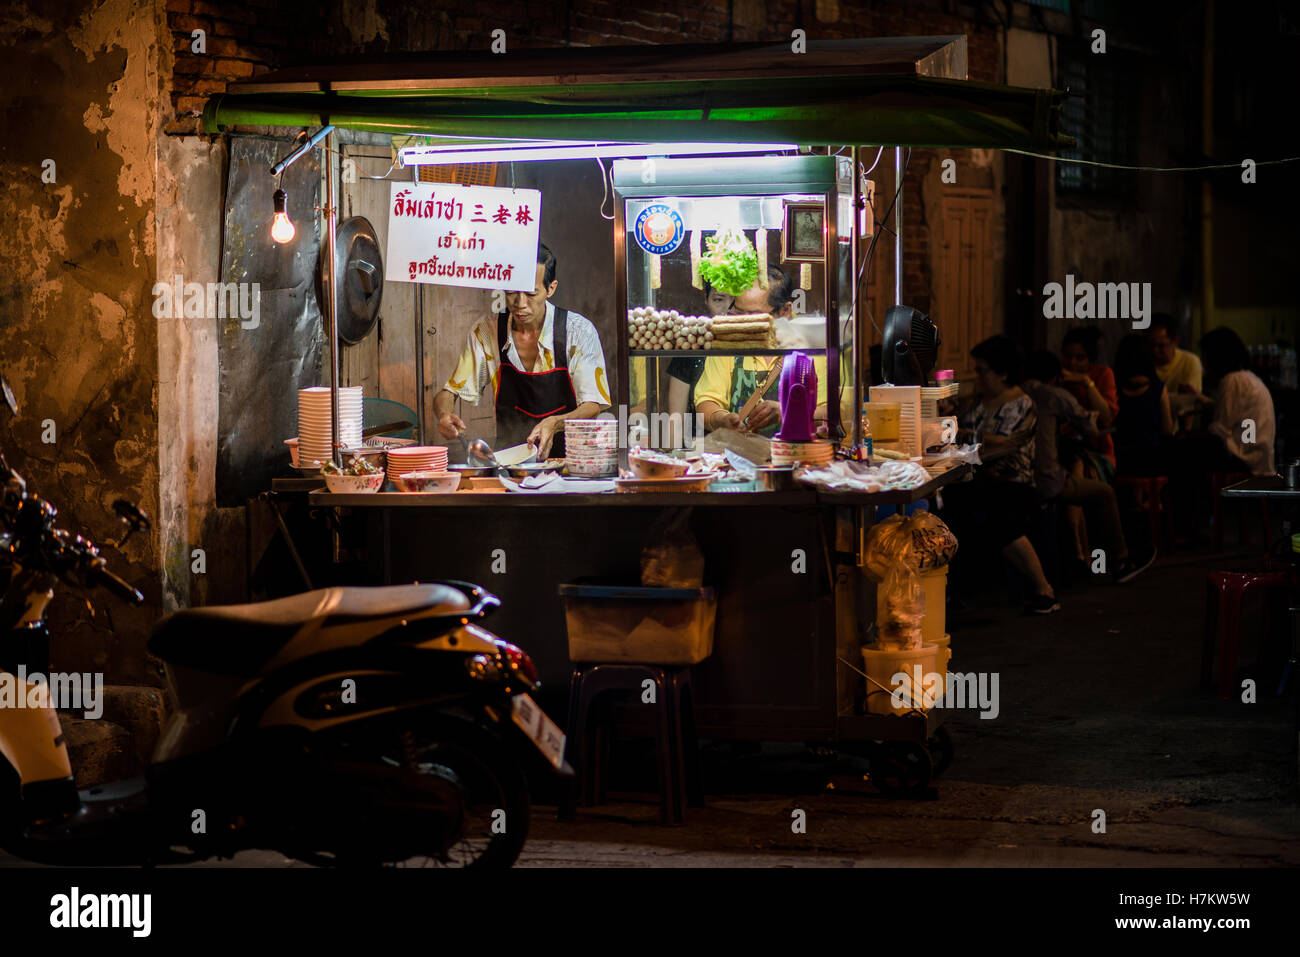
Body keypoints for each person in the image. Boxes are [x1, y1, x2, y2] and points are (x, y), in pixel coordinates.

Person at [435, 243, 610, 459]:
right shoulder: (487, 332)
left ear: (551, 288)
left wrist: (554, 423)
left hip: (571, 462)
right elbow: (450, 391)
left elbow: (592, 405)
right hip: (511, 464)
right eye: (511, 292)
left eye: (531, 293)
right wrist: (444, 415)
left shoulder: (577, 331)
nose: (520, 303)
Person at [942, 335, 1060, 614]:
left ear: (1003, 373)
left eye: (983, 370)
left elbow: (1006, 444)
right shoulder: (978, 403)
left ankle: (1043, 588)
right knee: (951, 504)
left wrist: (969, 435)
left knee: (994, 513)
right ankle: (957, 593)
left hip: (1013, 483)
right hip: (978, 479)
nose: (978, 377)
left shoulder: (1021, 404)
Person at [1023, 351, 1155, 583]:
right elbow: (1092, 429)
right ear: (1056, 377)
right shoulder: (1055, 395)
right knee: (1103, 492)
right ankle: (1120, 561)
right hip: (1046, 480)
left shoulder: (1017, 394)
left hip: (1020, 477)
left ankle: (1079, 555)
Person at [695, 265, 828, 436]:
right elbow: (706, 400)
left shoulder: (812, 346)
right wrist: (722, 419)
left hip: (798, 456)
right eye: (739, 313)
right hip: (741, 456)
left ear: (785, 310)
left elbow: (832, 411)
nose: (744, 324)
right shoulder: (729, 341)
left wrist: (786, 411)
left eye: (754, 317)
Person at [1191, 327, 1276, 475]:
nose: (1204, 366)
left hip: (1247, 462)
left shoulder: (1233, 380)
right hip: (1260, 459)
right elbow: (1231, 412)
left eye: (1205, 357)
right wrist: (1201, 399)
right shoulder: (1248, 377)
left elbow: (1221, 427)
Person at [1113, 334, 1174, 476]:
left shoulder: (1114, 387)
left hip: (1121, 460)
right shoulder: (1157, 388)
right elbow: (1167, 430)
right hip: (1152, 460)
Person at [1059, 326, 1118, 470]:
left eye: (1080, 358)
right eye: (1067, 356)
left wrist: (1087, 383)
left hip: (1098, 451)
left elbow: (1107, 419)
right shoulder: (1056, 377)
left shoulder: (1103, 374)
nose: (1072, 363)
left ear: (1090, 359)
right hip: (1062, 449)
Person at [1148, 314, 1203, 430]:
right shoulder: (1144, 363)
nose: (1155, 351)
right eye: (1151, 345)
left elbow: (1187, 402)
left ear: (1175, 341)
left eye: (1161, 345)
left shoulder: (1189, 361)